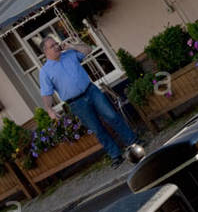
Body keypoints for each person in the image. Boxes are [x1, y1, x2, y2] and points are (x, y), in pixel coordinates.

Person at [39, 36, 143, 167]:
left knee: (112, 116)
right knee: (97, 129)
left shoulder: (69, 54)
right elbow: (46, 93)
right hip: (76, 103)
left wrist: (72, 46)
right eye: (52, 46)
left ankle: (133, 141)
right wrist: (49, 109)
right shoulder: (45, 72)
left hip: (91, 91)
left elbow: (88, 50)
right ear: (45, 52)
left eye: (56, 44)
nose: (56, 47)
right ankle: (116, 155)